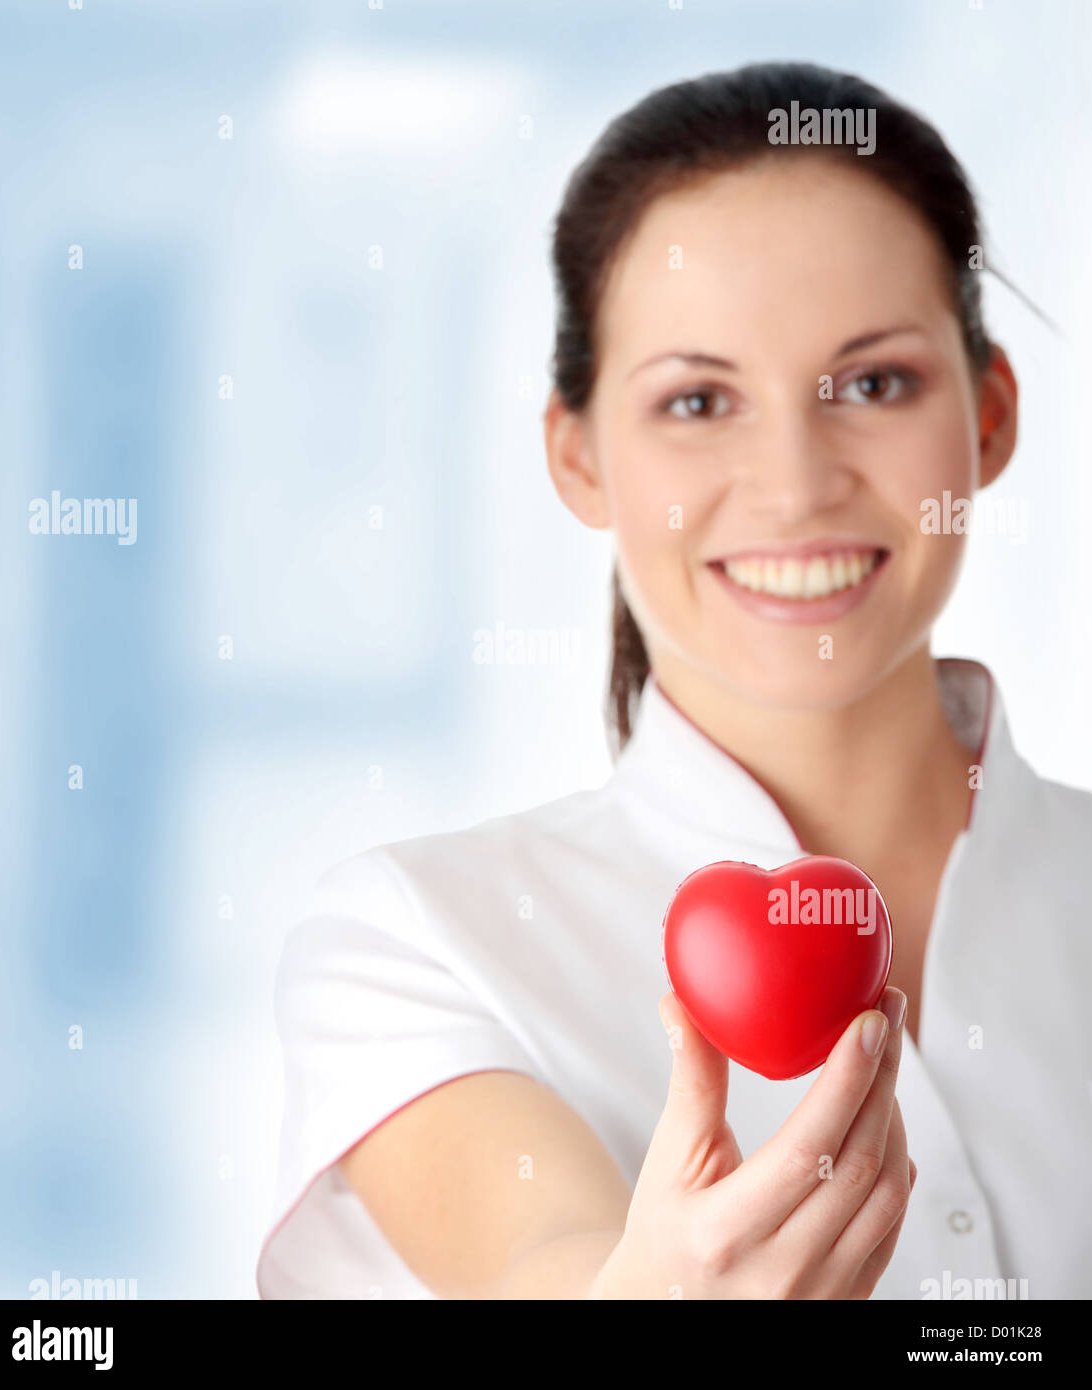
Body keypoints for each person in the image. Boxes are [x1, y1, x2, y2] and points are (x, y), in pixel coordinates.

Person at [256, 62, 1092, 1300]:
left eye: (871, 383)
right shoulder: (419, 941)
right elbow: (541, 1261)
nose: (794, 482)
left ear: (987, 414)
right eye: (697, 400)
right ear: (577, 455)